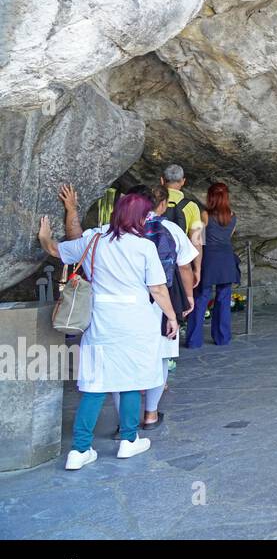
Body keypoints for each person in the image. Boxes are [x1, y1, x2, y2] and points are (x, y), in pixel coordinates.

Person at [38, 192, 179, 470]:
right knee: (131, 381)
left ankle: (79, 450)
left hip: (101, 321)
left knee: (95, 386)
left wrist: (44, 236)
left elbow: (54, 250)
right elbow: (157, 288)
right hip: (136, 322)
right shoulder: (144, 247)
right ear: (140, 218)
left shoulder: (94, 241)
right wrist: (172, 316)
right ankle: (129, 440)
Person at [57, 184, 194, 431]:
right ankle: (150, 415)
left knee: (111, 377)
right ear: (158, 205)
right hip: (154, 308)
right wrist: (186, 300)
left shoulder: (100, 234)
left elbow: (72, 243)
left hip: (106, 314)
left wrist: (70, 212)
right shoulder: (169, 230)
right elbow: (181, 268)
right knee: (158, 361)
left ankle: (115, 430)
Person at [189, 183, 240, 348]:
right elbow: (228, 237)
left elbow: (196, 239)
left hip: (209, 260)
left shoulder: (204, 215)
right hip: (227, 260)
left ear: (210, 196)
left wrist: (195, 266)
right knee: (224, 300)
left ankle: (194, 340)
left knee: (201, 298)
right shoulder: (233, 216)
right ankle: (222, 337)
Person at [160, 164, 204, 290]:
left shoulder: (151, 202)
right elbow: (197, 240)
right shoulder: (192, 206)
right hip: (179, 263)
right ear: (183, 181)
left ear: (162, 180)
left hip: (153, 261)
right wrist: (197, 269)